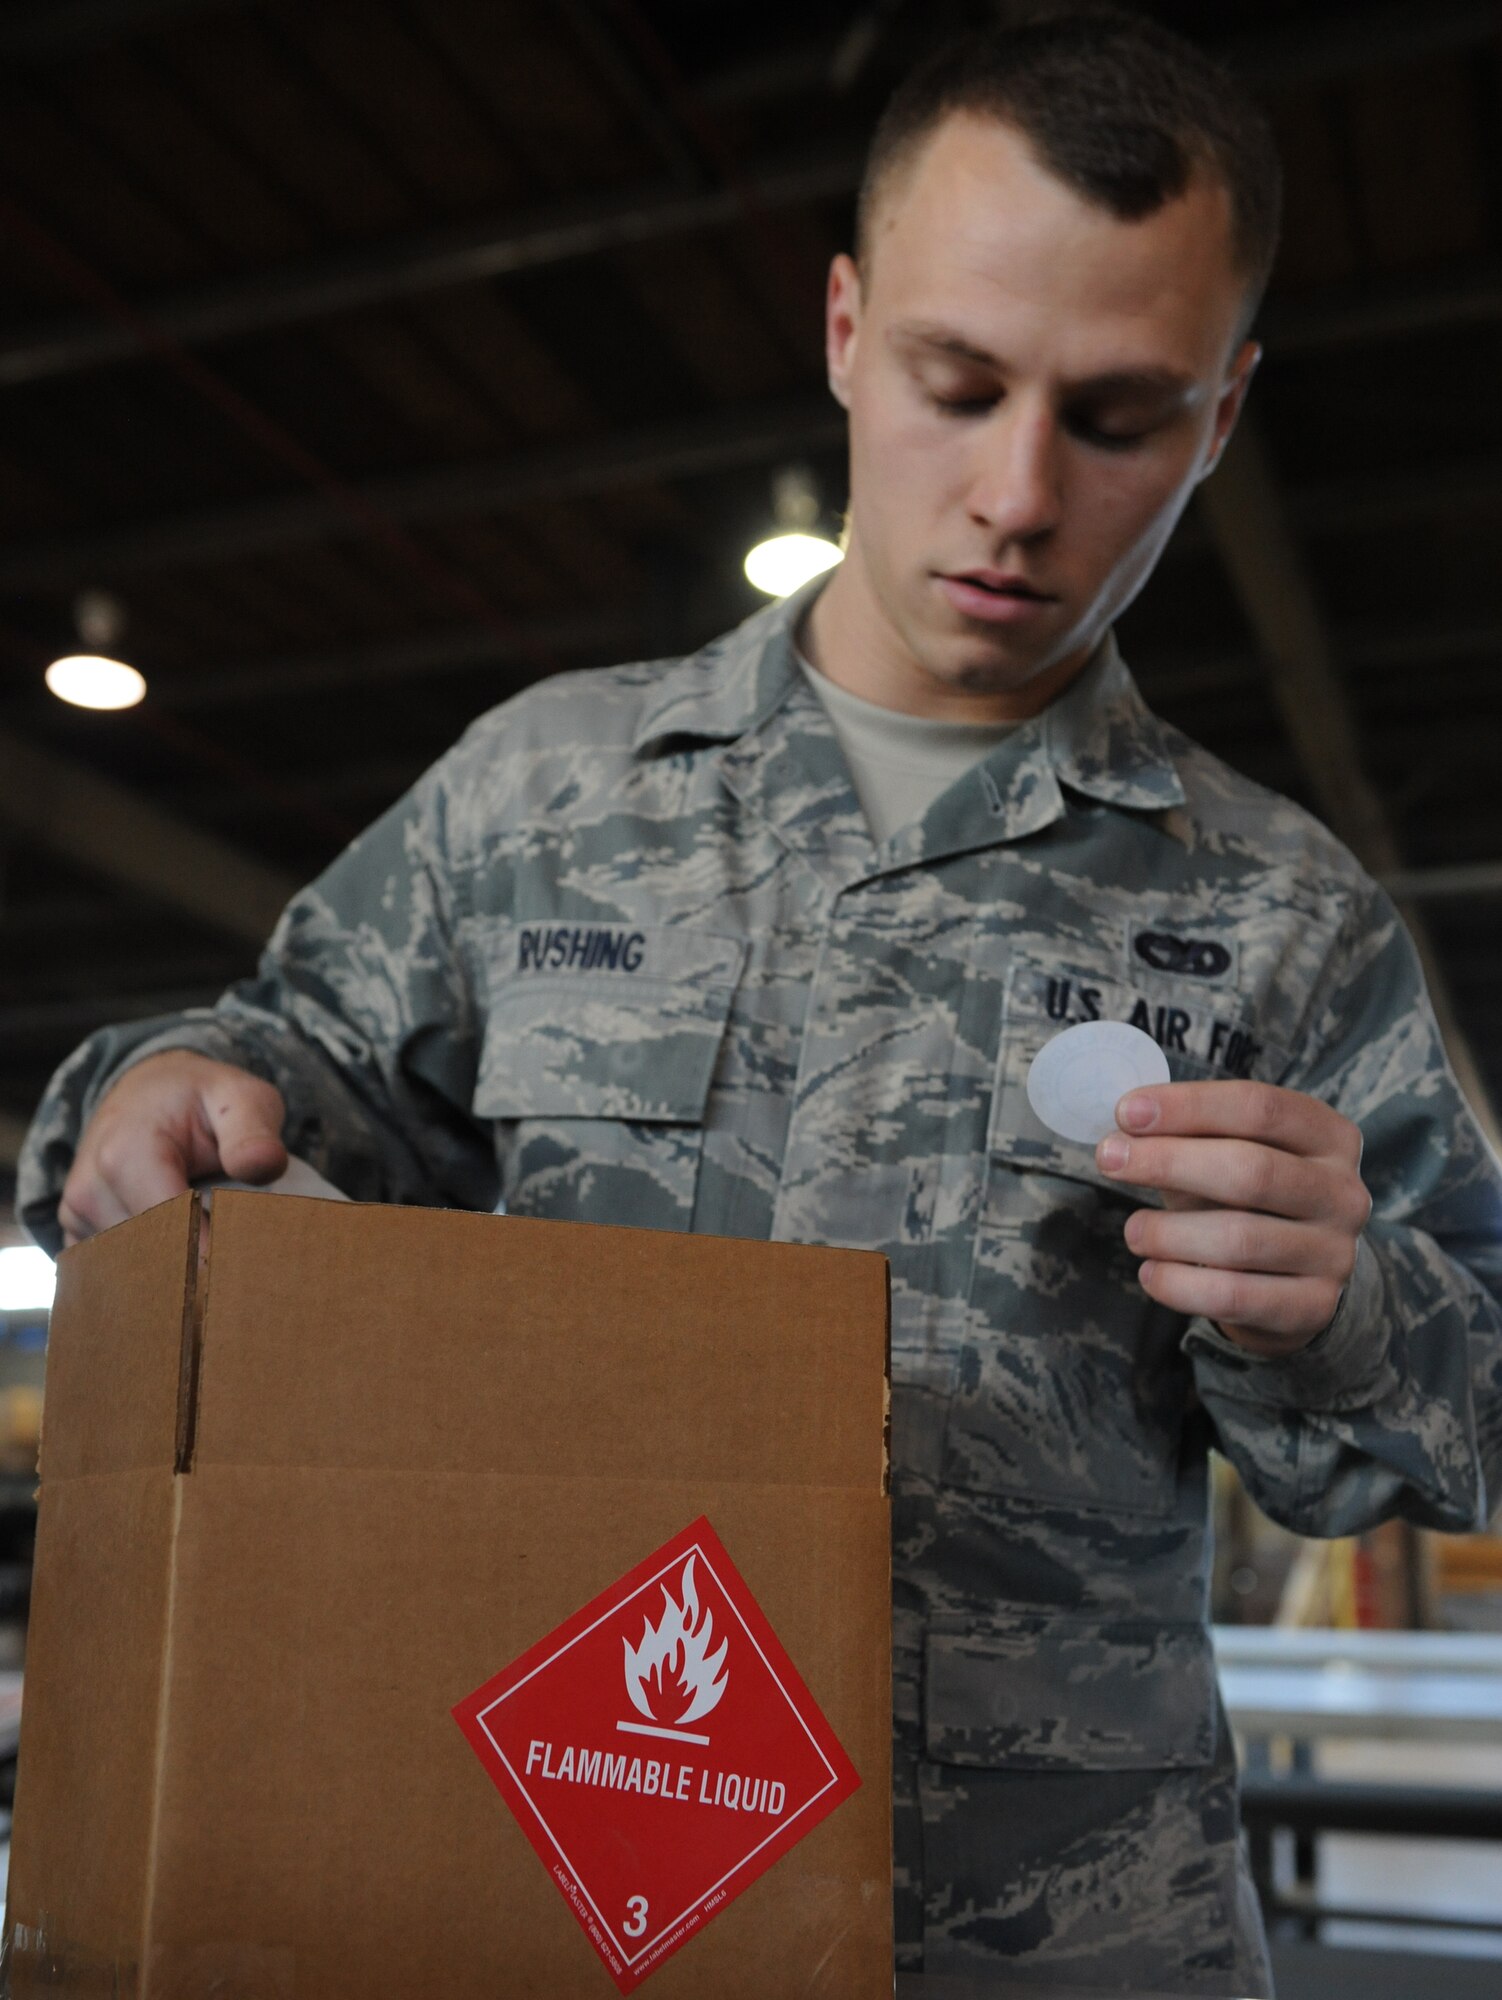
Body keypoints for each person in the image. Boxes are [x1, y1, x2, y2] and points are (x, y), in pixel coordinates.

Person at [19, 11, 1502, 1992]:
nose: (1015, 492)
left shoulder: (1284, 913)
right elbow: (293, 1065)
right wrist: (176, 1084)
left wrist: (1344, 1303)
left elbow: (1469, 1412)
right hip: (559, 1874)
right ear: (842, 329)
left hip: (1051, 1941)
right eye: (956, 383)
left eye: (1116, 418)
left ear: (1223, 412)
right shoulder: (540, 795)